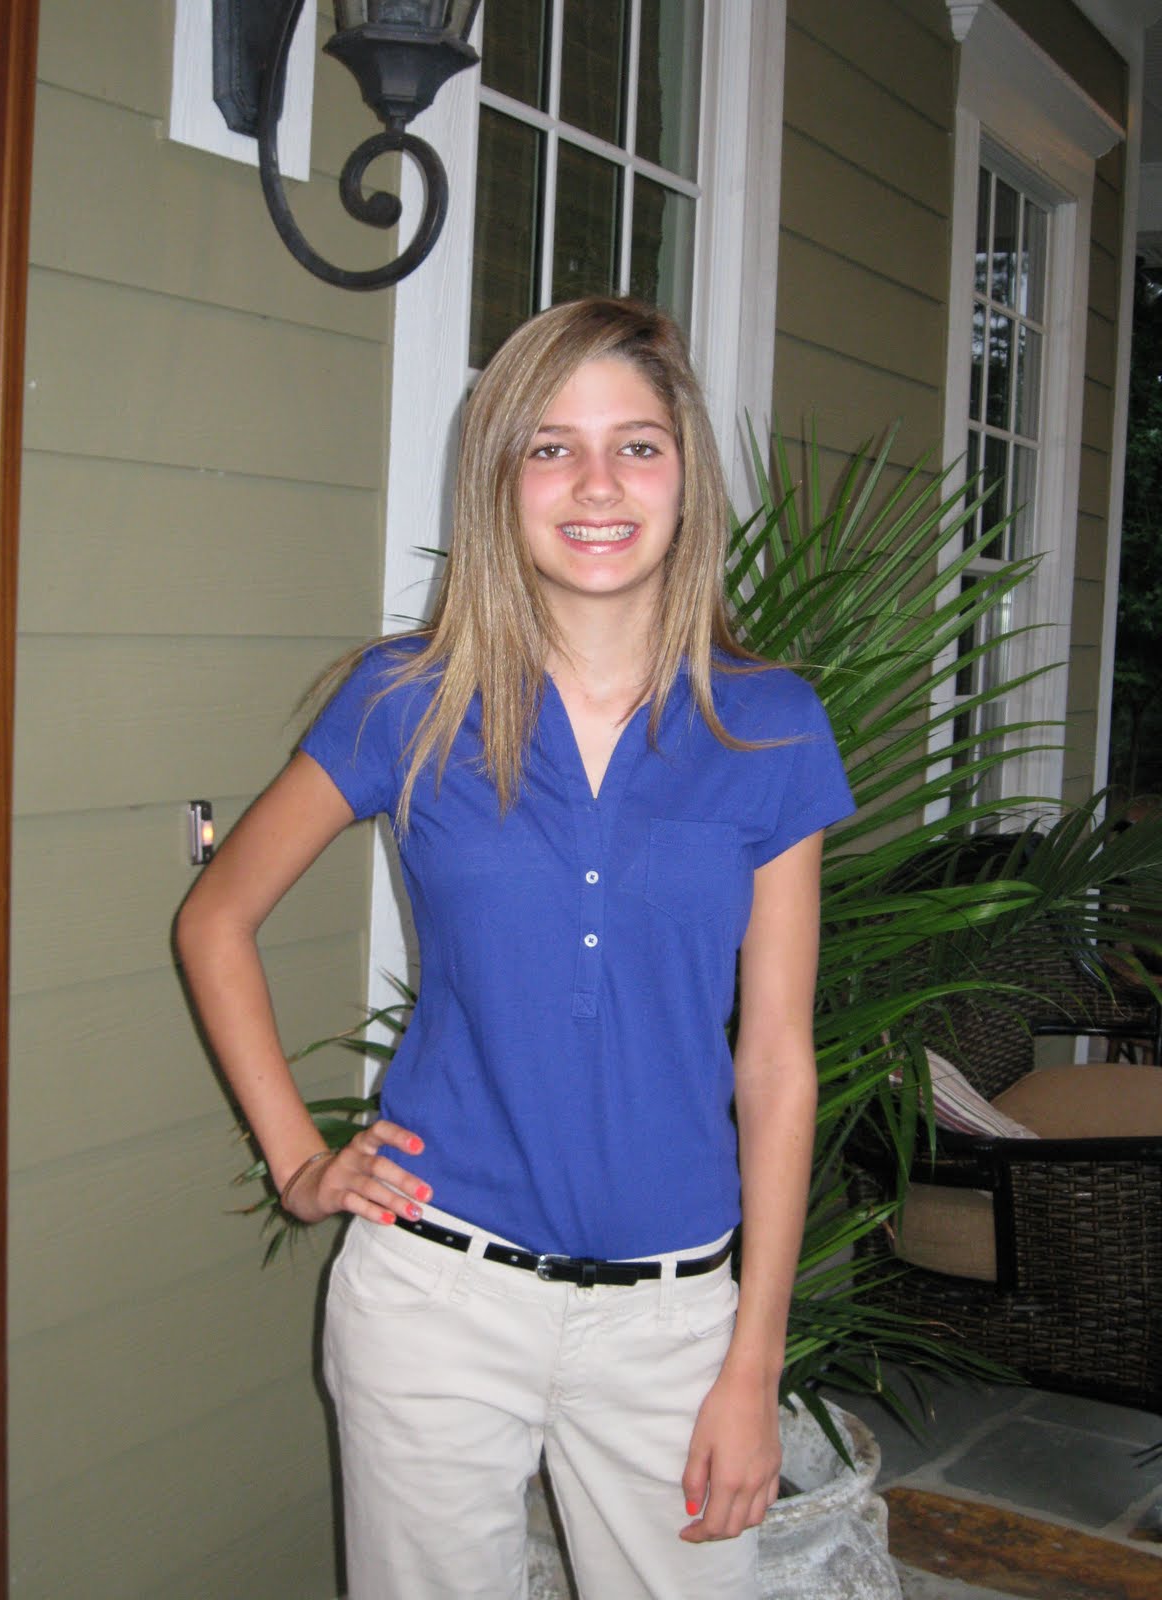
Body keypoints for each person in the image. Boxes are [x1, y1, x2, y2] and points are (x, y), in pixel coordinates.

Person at [176, 295, 854, 1600]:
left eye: (636, 445)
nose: (598, 484)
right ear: (500, 478)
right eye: (552, 447)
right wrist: (301, 1164)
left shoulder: (771, 725)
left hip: (672, 1322)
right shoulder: (407, 700)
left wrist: (753, 1361)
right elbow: (216, 918)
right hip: (438, 1302)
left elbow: (775, 1059)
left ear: (686, 476)